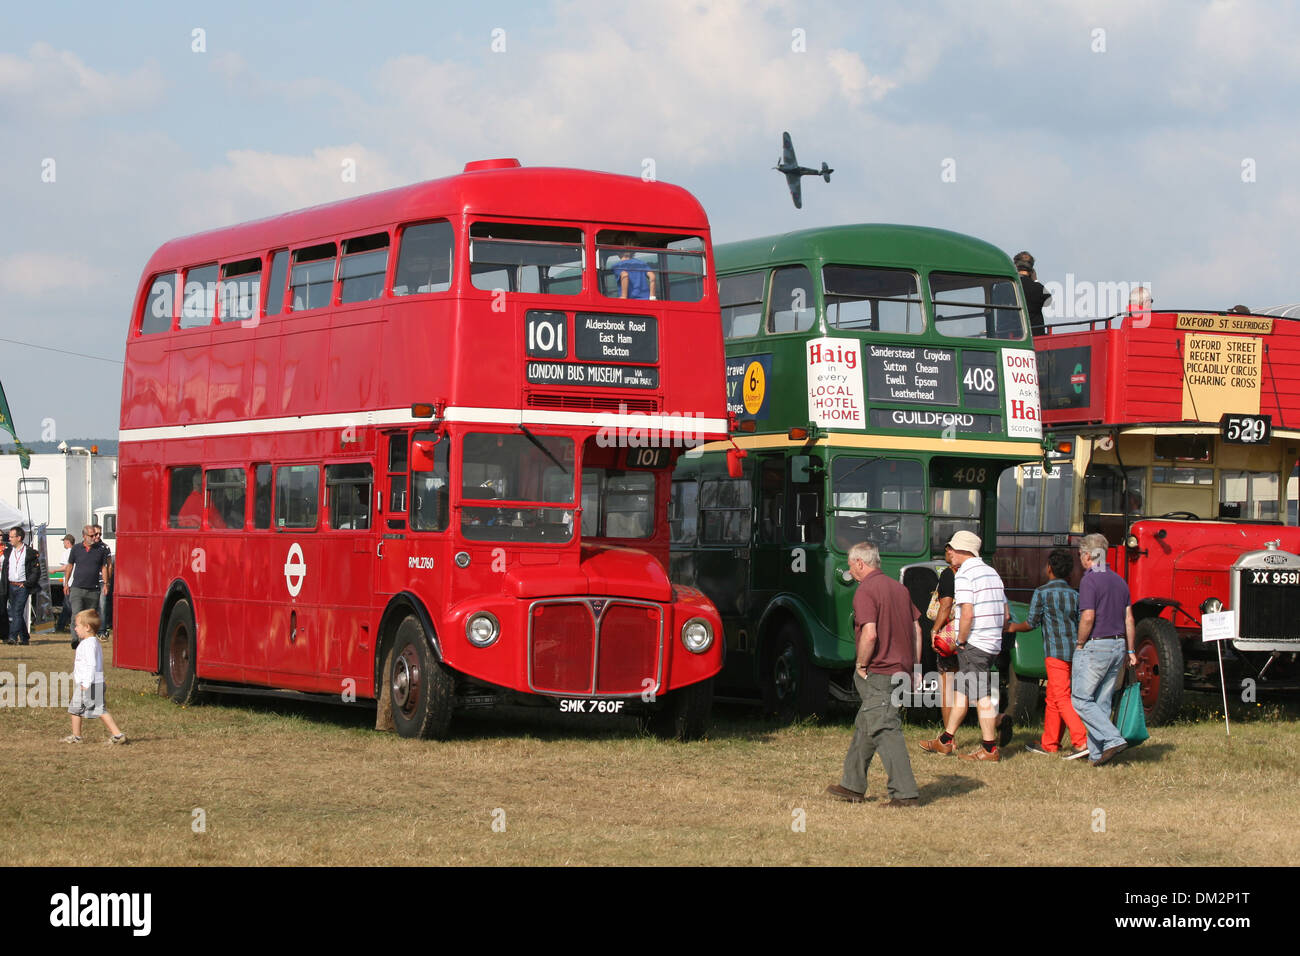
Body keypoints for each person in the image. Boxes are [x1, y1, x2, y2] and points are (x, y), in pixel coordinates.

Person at [826, 541, 922, 807]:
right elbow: (917, 630)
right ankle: (851, 785)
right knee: (866, 722)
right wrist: (915, 667)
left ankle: (905, 794)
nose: (849, 571)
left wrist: (860, 664)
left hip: (880, 670)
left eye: (850, 565)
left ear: (860, 563)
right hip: (901, 668)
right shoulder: (900, 589)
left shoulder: (865, 590)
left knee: (885, 727)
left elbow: (870, 633)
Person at [919, 530, 1009, 761]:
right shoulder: (992, 573)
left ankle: (989, 749)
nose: (949, 552)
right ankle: (946, 740)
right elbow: (1006, 614)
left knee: (981, 696)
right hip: (991, 642)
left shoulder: (965, 574)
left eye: (952, 548)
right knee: (962, 692)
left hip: (974, 642)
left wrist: (960, 640)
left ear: (963, 551)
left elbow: (966, 612)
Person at [1007, 549, 1088, 758]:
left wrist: (1013, 627)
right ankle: (1050, 743)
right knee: (1053, 697)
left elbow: (1031, 623)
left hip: (1054, 653)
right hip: (1074, 653)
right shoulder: (1075, 594)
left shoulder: (1042, 592)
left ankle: (1081, 740)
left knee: (1060, 697)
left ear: (1049, 568)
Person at [1071, 533, 1137, 766]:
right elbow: (1129, 618)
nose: (1080, 559)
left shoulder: (1090, 580)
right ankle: (1098, 755)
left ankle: (1112, 739)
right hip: (1119, 644)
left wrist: (1080, 643)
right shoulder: (1119, 580)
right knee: (1102, 700)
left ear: (1088, 555)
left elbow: (1088, 616)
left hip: (1096, 644)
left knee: (1080, 699)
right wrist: (1131, 650)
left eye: (1080, 555)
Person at [62, 608, 127, 744]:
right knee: (76, 709)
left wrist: (86, 683)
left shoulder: (89, 645)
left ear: (87, 627)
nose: (75, 628)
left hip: (90, 684)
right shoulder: (92, 642)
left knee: (97, 710)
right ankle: (76, 736)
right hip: (90, 683)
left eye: (77, 625)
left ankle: (118, 735)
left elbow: (91, 665)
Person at [63, 525, 111, 649]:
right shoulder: (76, 549)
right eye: (91, 535)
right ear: (84, 536)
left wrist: (106, 584)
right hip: (77, 588)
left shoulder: (100, 550)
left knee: (89, 617)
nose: (94, 537)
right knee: (76, 614)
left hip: (93, 590)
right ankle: (75, 639)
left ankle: (87, 641)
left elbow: (104, 568)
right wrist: (66, 583)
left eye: (95, 535)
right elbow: (69, 566)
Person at [930, 545, 959, 727]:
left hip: (950, 636)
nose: (946, 551)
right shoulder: (980, 573)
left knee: (947, 687)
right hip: (973, 635)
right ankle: (996, 721)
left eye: (950, 548)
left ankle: (949, 736)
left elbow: (946, 605)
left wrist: (935, 630)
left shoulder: (949, 574)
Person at [4, 527, 41, 645]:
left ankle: (13, 637)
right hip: (11, 585)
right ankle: (25, 638)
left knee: (17, 612)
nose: (9, 539)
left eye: (11, 537)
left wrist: (26, 584)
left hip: (22, 587)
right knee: (15, 612)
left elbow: (36, 571)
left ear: (19, 538)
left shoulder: (29, 552)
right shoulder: (9, 551)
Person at [1013, 251, 1051, 336]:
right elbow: (1049, 301)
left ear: (1015, 267)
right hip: (1036, 337)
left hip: (1014, 336)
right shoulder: (1037, 288)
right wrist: (1036, 280)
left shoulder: (1008, 287)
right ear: (1032, 270)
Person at [55, 533, 75, 631]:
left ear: (67, 542)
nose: (63, 543)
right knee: (70, 605)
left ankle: (60, 626)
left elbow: (66, 567)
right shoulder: (77, 551)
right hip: (75, 582)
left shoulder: (67, 552)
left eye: (64, 541)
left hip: (69, 582)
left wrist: (54, 570)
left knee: (67, 606)